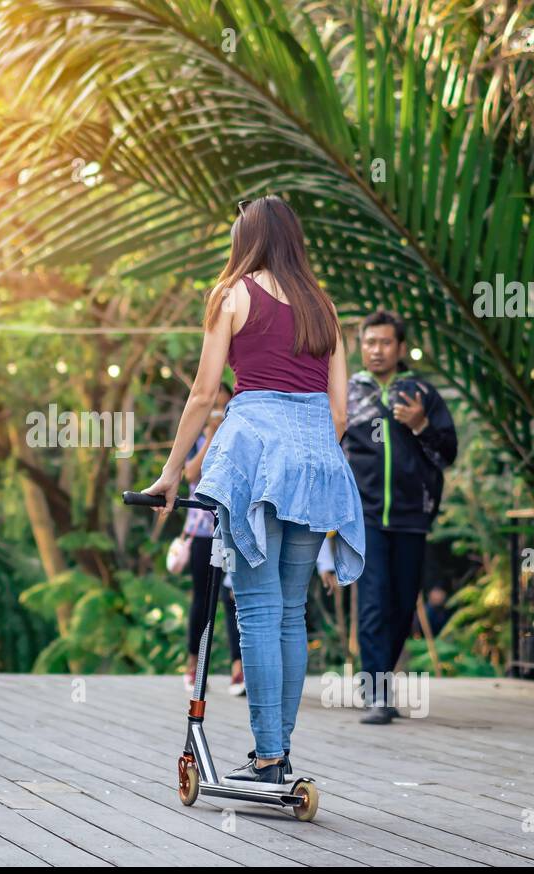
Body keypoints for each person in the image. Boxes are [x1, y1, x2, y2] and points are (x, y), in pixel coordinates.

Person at [141, 195, 364, 784]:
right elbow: (340, 414)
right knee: (292, 611)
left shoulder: (232, 295)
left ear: (249, 238)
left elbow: (203, 393)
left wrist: (170, 473)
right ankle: (278, 751)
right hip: (316, 463)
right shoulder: (327, 308)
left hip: (258, 460)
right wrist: (305, 447)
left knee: (259, 608)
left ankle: (268, 757)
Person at [342, 311, 457, 724]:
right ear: (361, 345)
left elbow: (447, 453)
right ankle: (377, 692)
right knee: (372, 600)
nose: (376, 350)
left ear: (400, 348)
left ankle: (380, 679)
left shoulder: (421, 393)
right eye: (370, 342)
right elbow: (332, 448)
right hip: (364, 514)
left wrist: (422, 424)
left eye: (385, 343)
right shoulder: (348, 393)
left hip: (412, 516)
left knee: (402, 603)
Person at [182, 382, 245, 696]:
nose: (219, 413)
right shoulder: (195, 440)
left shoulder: (240, 438)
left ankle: (238, 668)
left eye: (224, 407)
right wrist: (209, 436)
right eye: (214, 407)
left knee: (233, 597)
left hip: (233, 530)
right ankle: (193, 662)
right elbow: (191, 475)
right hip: (203, 531)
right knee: (201, 597)